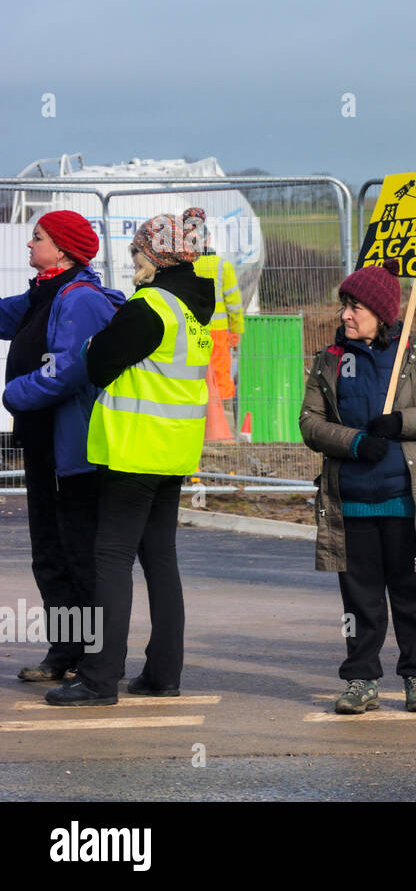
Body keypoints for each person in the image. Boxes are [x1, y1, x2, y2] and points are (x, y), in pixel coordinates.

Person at [46, 214, 214, 706]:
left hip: (133, 451)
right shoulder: (194, 313)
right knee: (160, 559)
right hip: (173, 453)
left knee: (111, 560)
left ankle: (99, 677)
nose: (132, 263)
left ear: (157, 257)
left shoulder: (149, 308)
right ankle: (164, 673)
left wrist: (98, 344)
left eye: (138, 254)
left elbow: (98, 364)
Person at [300, 260, 416, 714]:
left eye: (356, 307)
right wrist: (353, 442)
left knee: (413, 599)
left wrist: (402, 423)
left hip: (410, 505)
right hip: (351, 505)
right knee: (360, 604)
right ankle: (360, 679)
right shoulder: (330, 360)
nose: (346, 315)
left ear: (382, 312)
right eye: (345, 306)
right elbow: (310, 423)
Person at [1, 211, 123, 682]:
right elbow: (4, 314)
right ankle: (65, 651)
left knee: (77, 553)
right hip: (42, 445)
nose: (28, 245)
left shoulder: (80, 299)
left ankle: (93, 659)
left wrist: (13, 393)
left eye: (38, 238)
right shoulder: (45, 292)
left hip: (70, 452)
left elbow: (68, 371)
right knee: (48, 552)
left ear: (65, 249)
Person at [186, 208, 244, 402]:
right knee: (220, 376)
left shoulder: (183, 267)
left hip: (190, 332)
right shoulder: (222, 266)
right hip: (218, 332)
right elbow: (234, 305)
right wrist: (235, 332)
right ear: (208, 240)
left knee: (193, 375)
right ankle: (223, 419)